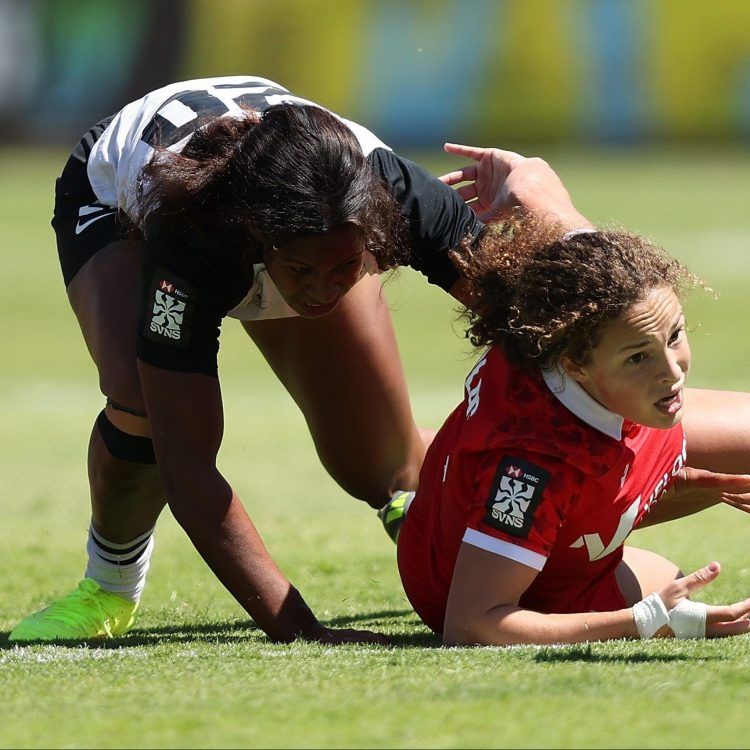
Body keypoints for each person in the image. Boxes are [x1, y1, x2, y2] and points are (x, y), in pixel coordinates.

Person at [10, 76, 587, 645]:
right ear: (258, 239)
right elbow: (187, 466)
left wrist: (550, 209)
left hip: (300, 215)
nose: (322, 291)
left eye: (345, 267)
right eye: (303, 271)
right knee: (142, 402)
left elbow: (556, 325)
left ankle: (431, 522)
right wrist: (300, 629)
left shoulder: (400, 197)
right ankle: (108, 587)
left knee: (381, 467)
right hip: (117, 207)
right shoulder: (195, 236)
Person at [394, 211, 750, 645]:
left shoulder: (566, 328)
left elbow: (575, 240)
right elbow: (472, 624)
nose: (673, 372)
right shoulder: (534, 463)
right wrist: (643, 620)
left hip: (515, 541)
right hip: (497, 594)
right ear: (575, 365)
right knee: (673, 588)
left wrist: (666, 481)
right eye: (638, 357)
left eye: (675, 336)